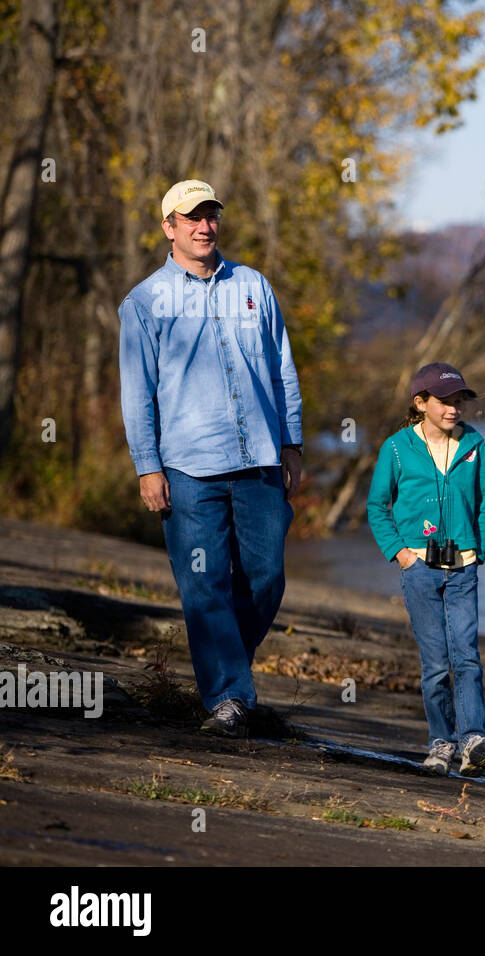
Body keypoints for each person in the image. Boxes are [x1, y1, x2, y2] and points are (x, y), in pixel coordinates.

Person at [119, 179, 303, 738]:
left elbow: (282, 371)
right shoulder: (144, 302)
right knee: (204, 586)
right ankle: (228, 698)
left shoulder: (253, 286)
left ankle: (224, 666)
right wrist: (147, 466)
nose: (204, 226)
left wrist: (292, 442)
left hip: (260, 461)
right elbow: (137, 393)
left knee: (267, 577)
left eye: (211, 215)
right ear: (169, 227)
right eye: (191, 217)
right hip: (188, 468)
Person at [366, 363, 485, 777]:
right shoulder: (397, 448)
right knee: (437, 663)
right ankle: (441, 742)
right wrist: (401, 554)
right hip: (419, 568)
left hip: (463, 567)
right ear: (420, 403)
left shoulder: (473, 444)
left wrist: (480, 548)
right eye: (444, 401)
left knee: (467, 655)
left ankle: (473, 739)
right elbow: (377, 506)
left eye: (458, 401)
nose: (454, 409)